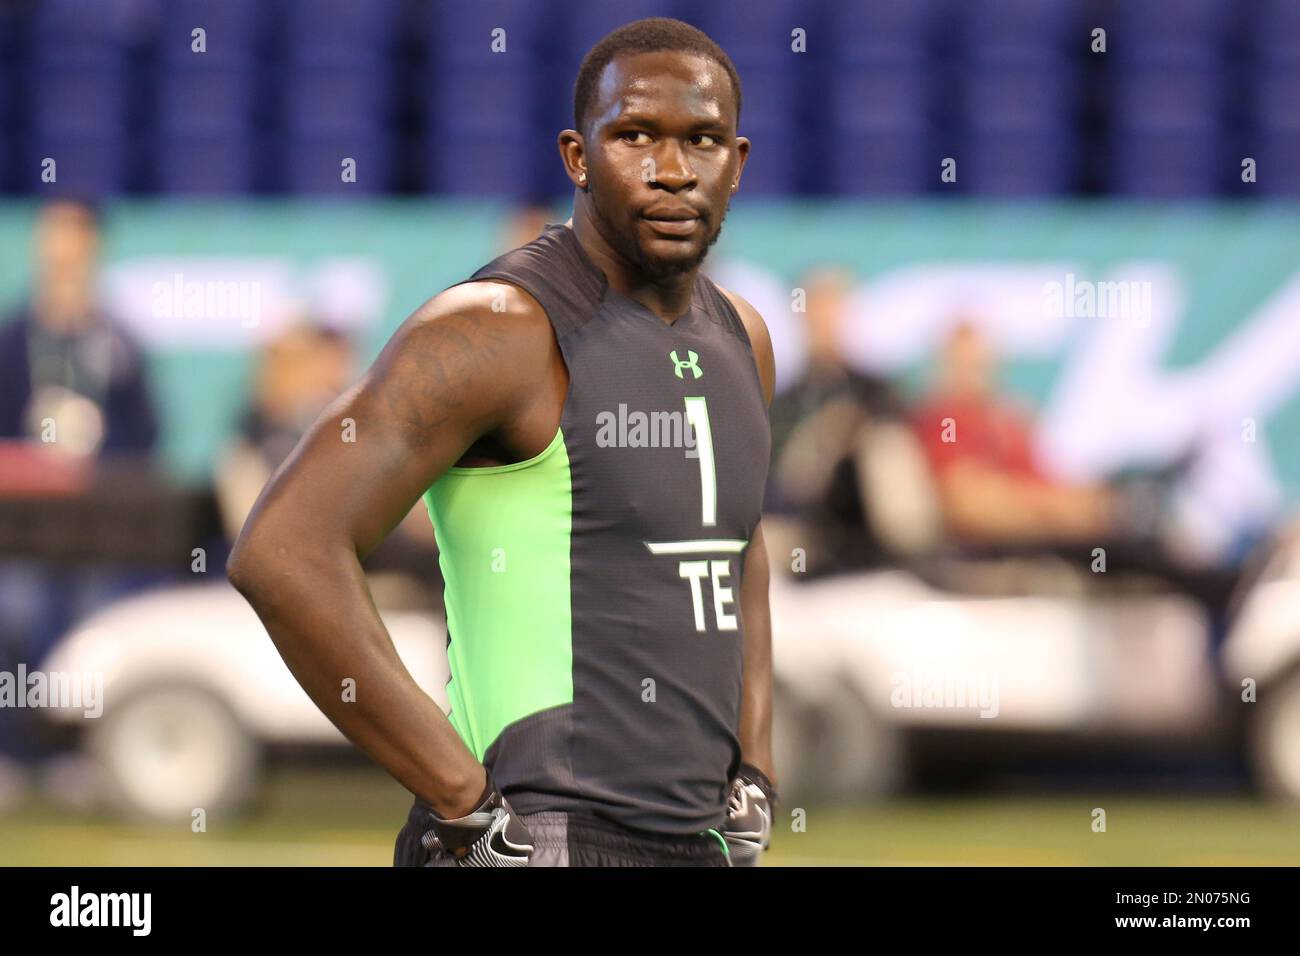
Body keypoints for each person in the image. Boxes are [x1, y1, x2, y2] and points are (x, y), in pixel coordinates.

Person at [228, 18, 778, 867]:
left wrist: (757, 770)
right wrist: (463, 803)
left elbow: (736, 545)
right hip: (536, 836)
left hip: (698, 842)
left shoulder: (744, 336)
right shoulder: (495, 330)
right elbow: (284, 551)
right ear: (578, 157)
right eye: (635, 136)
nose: (672, 171)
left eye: (700, 141)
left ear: (736, 163)